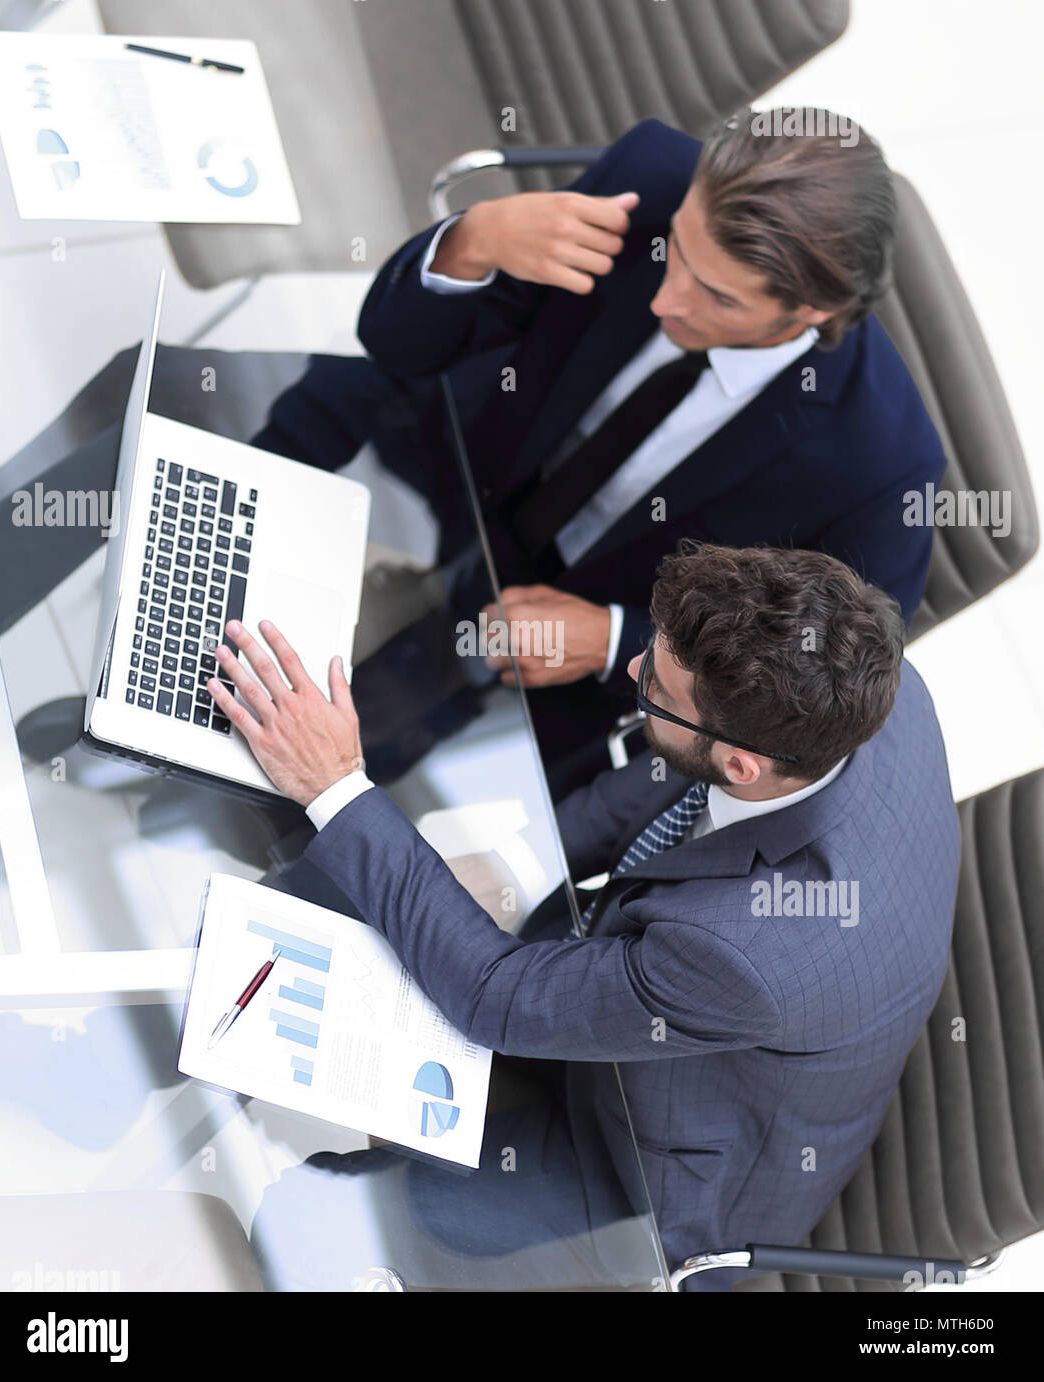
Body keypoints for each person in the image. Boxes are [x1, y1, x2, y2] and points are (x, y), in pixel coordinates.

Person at [202, 542, 960, 1290]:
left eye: (655, 688)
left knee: (311, 1221)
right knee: (315, 905)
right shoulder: (868, 684)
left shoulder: (751, 951)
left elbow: (494, 998)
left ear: (743, 764)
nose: (632, 672)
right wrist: (521, 864)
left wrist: (334, 785)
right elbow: (677, 778)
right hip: (664, 992)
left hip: (641, 1177)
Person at [254, 108, 946, 796]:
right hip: (437, 463)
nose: (666, 297)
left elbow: (821, 687)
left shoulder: (881, 465)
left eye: (716, 296)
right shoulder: (647, 183)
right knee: (219, 549)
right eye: (677, 247)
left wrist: (619, 641)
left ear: (813, 311)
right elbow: (396, 342)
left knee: (322, 783)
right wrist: (472, 240)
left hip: (549, 654)